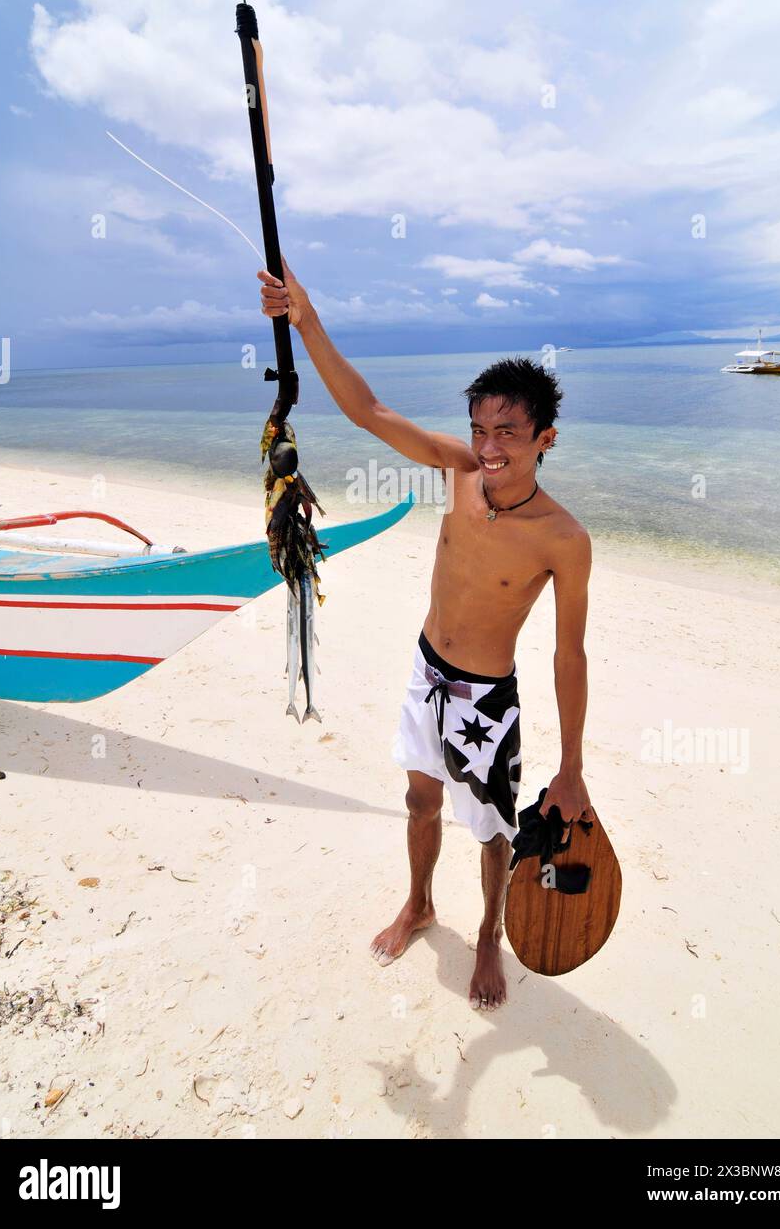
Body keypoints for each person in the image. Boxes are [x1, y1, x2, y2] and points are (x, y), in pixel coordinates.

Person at [259, 259, 593, 1010]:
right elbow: (368, 411)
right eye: (479, 429)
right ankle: (418, 904)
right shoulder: (458, 471)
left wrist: (570, 768)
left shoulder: (563, 539)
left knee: (488, 831)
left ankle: (486, 937)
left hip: (485, 701)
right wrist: (306, 319)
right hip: (425, 670)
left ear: (545, 437)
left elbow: (566, 654)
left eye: (507, 432)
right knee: (417, 801)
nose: (488, 447)